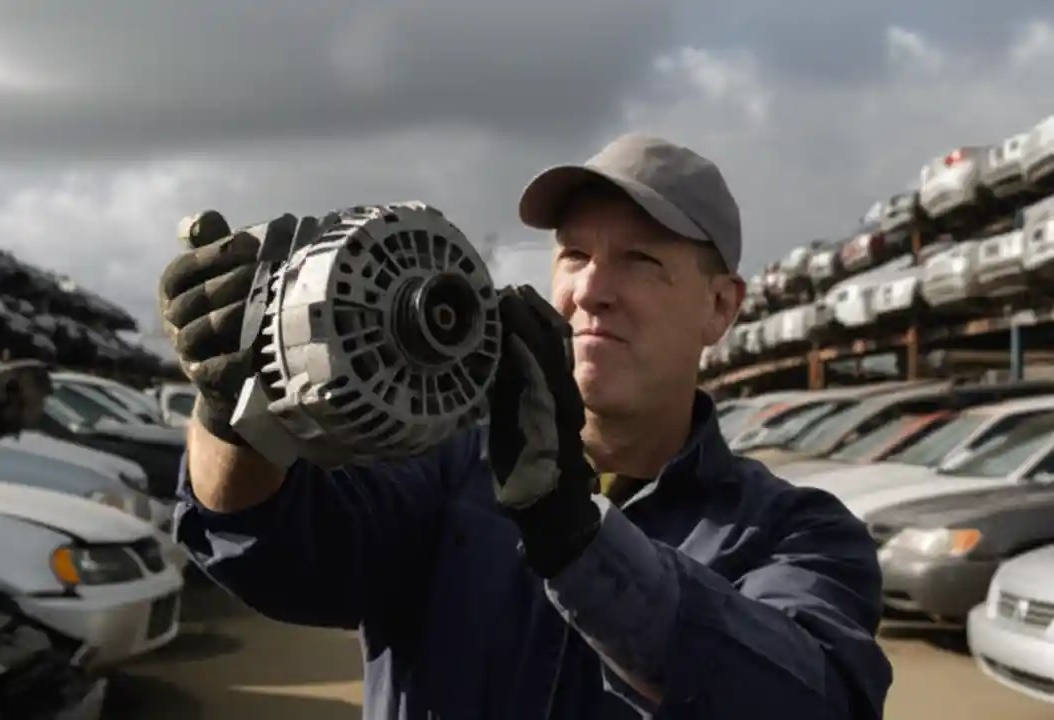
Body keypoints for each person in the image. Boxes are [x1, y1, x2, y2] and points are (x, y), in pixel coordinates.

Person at [158, 133, 893, 719]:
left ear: (722, 307)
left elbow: (813, 702)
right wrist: (236, 410)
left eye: (639, 260)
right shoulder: (440, 465)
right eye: (573, 254)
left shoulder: (800, 535)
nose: (590, 290)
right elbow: (272, 550)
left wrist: (576, 538)